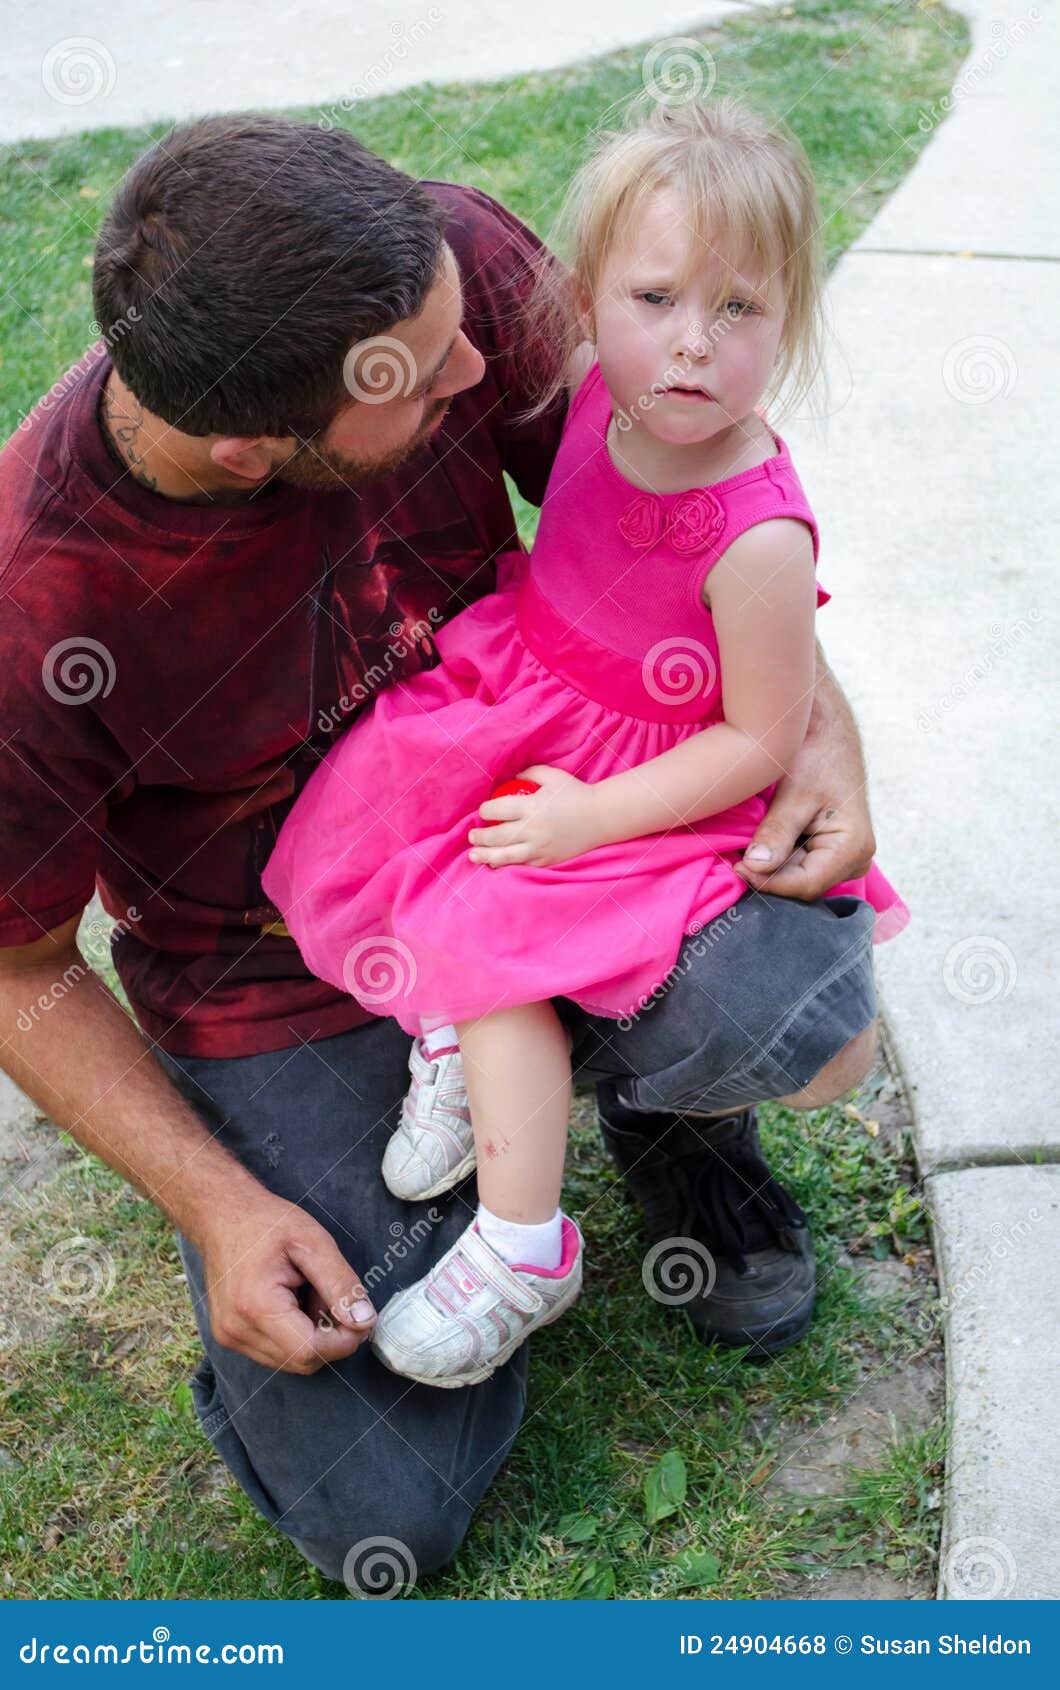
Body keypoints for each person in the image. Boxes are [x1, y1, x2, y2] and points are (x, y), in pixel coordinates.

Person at [0, 110, 890, 1588]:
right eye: (425, 380)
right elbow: (17, 961)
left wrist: (815, 730)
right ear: (251, 447)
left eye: (462, 327)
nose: (486, 364)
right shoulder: (41, 605)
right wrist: (219, 1205)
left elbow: (681, 492)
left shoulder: (436, 272)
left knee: (785, 991)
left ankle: (677, 1132)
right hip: (275, 969)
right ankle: (358, 1162)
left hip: (531, 823)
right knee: (384, 1516)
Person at [262, 95, 909, 1392]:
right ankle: (452, 1037)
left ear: (792, 322)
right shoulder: (593, 396)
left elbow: (755, 735)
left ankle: (521, 1242)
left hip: (659, 780)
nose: (690, 347)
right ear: (589, 295)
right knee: (393, 822)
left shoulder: (761, 534)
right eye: (657, 297)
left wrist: (592, 820)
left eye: (741, 310)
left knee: (502, 904)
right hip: (526, 688)